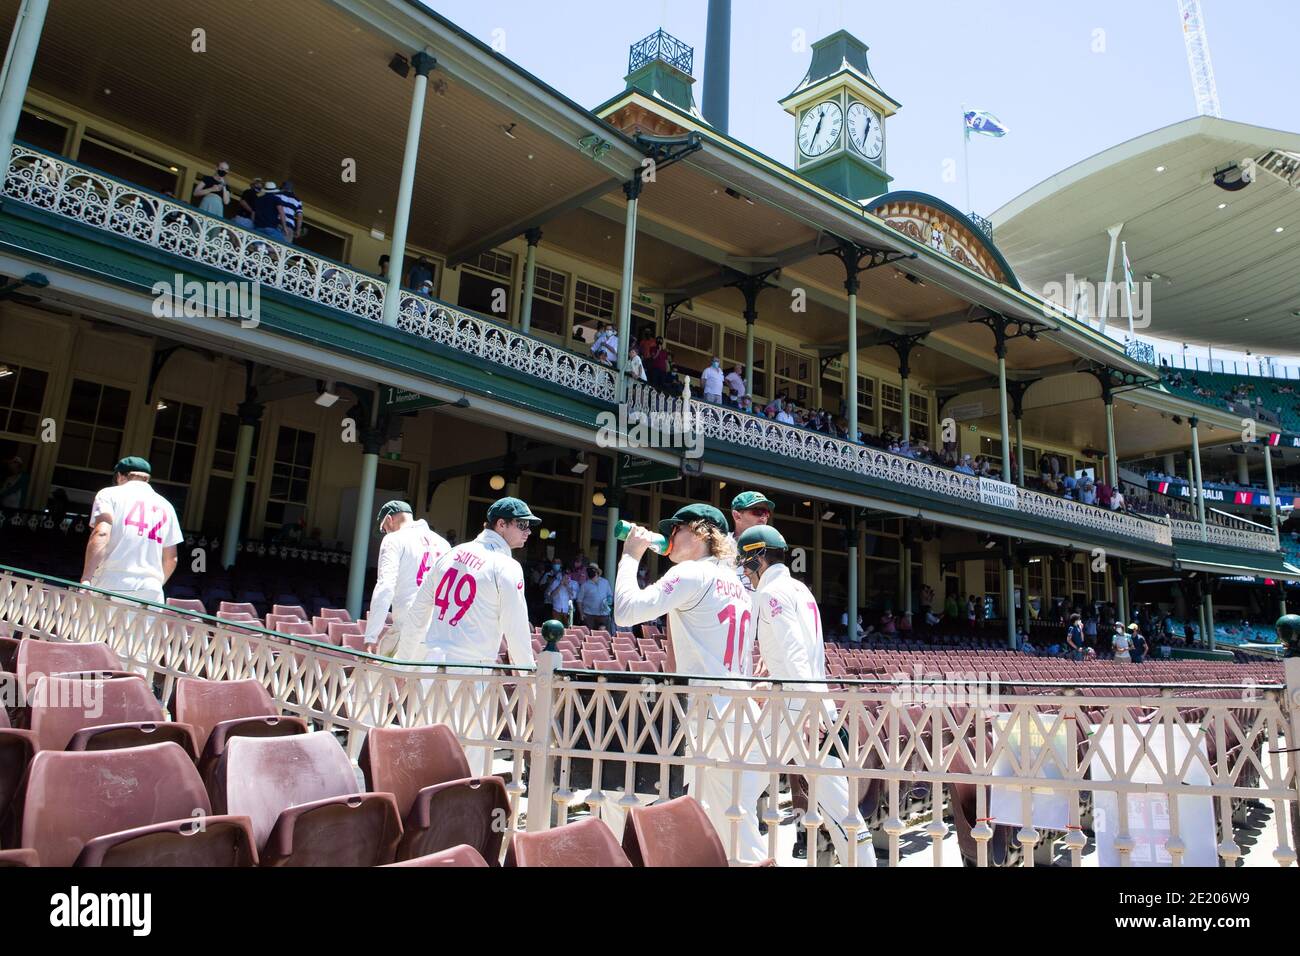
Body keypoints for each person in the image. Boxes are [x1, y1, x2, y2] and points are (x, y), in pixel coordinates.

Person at [613, 503, 763, 862]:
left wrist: (631, 556)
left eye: (675, 529)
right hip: (738, 712)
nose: (669, 536)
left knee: (623, 793)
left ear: (698, 532)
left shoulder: (692, 572)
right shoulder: (739, 584)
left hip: (706, 714)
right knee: (728, 821)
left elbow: (626, 612)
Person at [738, 524, 875, 867]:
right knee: (839, 807)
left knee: (735, 788)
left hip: (796, 708)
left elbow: (795, 652)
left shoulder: (771, 594)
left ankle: (746, 859)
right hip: (811, 703)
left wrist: (809, 706)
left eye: (745, 562)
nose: (744, 571)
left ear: (757, 558)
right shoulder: (801, 589)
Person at [407, 497, 539, 775]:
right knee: (470, 760)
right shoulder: (506, 566)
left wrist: (406, 663)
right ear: (501, 525)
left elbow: (418, 612)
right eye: (522, 524)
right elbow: (517, 633)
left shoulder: (452, 553)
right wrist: (530, 685)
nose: (528, 531)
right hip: (470, 669)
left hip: (431, 664)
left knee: (426, 751)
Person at [79, 457, 182, 604]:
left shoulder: (109, 494)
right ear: (147, 479)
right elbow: (171, 558)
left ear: (120, 476)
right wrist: (154, 586)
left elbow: (101, 533)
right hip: (152, 590)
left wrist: (86, 578)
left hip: (111, 581)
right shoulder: (167, 506)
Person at [362, 500, 449, 660]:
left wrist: (371, 636)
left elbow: (385, 587)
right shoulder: (444, 544)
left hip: (408, 629)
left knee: (377, 675)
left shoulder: (394, 539)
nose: (386, 533)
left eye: (384, 529)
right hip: (438, 634)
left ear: (389, 520)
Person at [577, 563, 614, 631]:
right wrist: (581, 613)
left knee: (602, 635)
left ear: (597, 572)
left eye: (592, 570)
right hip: (589, 615)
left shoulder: (605, 582)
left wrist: (608, 601)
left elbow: (610, 595)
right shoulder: (584, 585)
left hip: (603, 614)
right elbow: (579, 600)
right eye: (588, 570)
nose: (589, 572)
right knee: (589, 634)